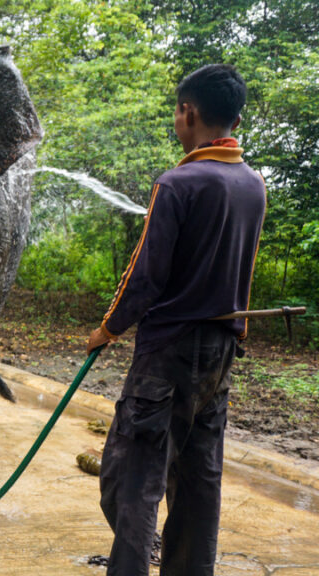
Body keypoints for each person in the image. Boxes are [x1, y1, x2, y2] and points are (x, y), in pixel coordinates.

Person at [85, 64, 266, 576]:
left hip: (166, 357)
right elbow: (243, 270)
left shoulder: (177, 182)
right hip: (220, 353)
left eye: (176, 110)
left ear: (188, 112)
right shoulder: (253, 185)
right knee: (198, 479)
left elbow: (146, 275)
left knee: (133, 480)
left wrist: (109, 328)